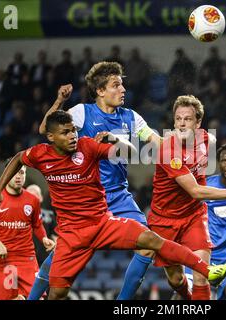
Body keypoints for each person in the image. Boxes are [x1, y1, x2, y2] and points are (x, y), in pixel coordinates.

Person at [0, 110, 226, 300]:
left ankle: (207, 270)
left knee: (151, 240)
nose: (73, 135)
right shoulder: (40, 154)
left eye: (73, 130)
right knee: (57, 294)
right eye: (66, 132)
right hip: (72, 236)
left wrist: (115, 139)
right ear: (51, 137)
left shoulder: (87, 146)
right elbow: (18, 158)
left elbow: (127, 153)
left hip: (103, 223)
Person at [32, 61, 161, 300]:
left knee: (148, 245)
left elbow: (155, 140)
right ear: (100, 91)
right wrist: (60, 102)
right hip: (87, 200)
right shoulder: (82, 112)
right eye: (116, 85)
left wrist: (179, 149)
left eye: (122, 85)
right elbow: (44, 129)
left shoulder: (132, 118)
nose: (123, 90)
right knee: (57, 257)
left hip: (119, 196)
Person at [148, 96, 226, 300]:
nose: (181, 123)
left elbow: (210, 145)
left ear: (198, 123)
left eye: (187, 119)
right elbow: (196, 191)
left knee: (201, 277)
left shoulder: (207, 140)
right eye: (178, 118)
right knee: (176, 280)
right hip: (165, 220)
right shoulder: (168, 150)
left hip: (193, 216)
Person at [0, 161, 56, 300]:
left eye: (21, 172)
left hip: (26, 259)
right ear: (6, 175)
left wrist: (44, 238)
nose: (18, 176)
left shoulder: (33, 200)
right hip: (1, 260)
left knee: (39, 298)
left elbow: (36, 224)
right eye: (14, 173)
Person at [183, 143, 226, 300]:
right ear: (219, 162)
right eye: (224, 160)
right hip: (203, 251)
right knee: (183, 294)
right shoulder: (206, 185)